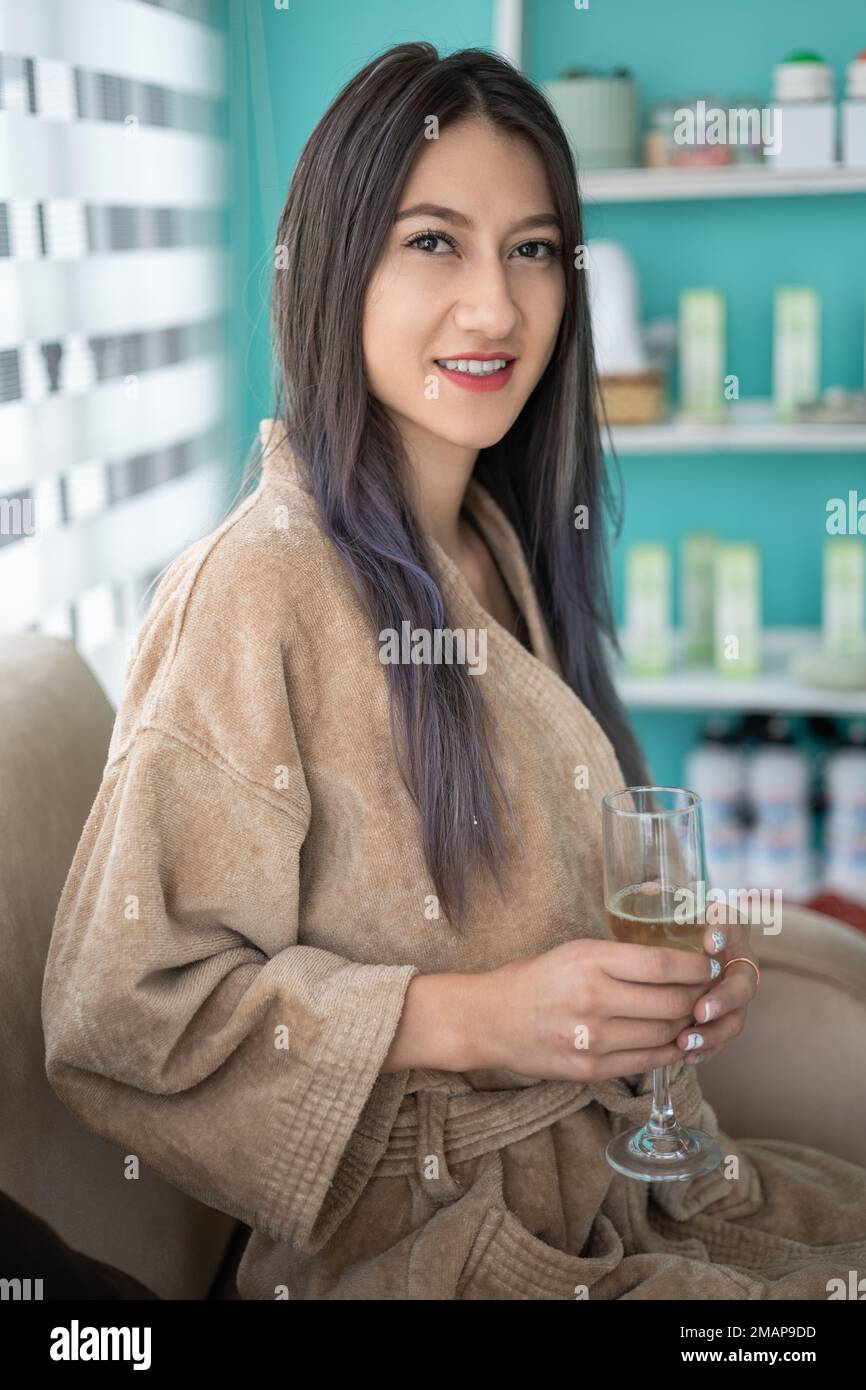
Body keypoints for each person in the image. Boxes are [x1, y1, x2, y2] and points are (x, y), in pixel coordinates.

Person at [41, 43, 866, 1300]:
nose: (495, 307)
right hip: (428, 1256)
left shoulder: (487, 537)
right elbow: (118, 1019)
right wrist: (483, 1015)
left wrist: (656, 996)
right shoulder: (257, 586)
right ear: (333, 264)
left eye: (531, 249)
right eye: (434, 241)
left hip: (618, 1191)